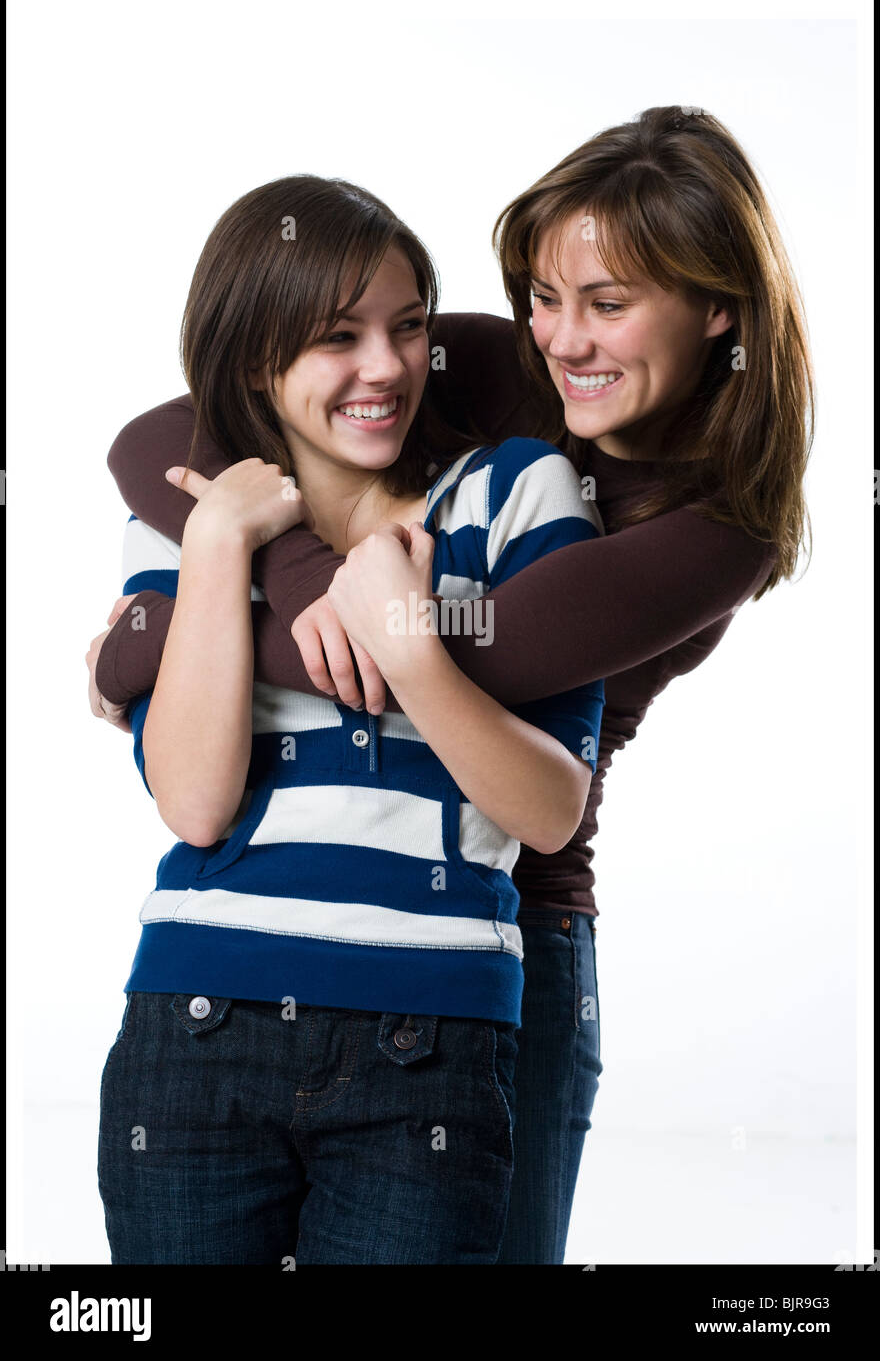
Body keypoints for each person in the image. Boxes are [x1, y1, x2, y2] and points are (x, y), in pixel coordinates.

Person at [89, 107, 811, 1263]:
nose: (563, 342)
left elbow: (485, 646)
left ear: (718, 308)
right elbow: (168, 431)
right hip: (248, 946)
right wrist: (223, 581)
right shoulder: (478, 362)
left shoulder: (721, 530)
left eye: (609, 305)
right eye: (542, 295)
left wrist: (159, 643)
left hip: (514, 914)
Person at [92, 173, 605, 1265]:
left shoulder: (512, 493)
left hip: (434, 1039)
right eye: (337, 336)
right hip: (195, 1024)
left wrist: (410, 645)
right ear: (251, 359)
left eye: (408, 326)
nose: (387, 367)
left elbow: (551, 808)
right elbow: (193, 802)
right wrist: (225, 543)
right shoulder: (182, 518)